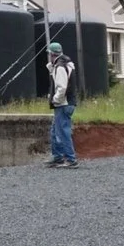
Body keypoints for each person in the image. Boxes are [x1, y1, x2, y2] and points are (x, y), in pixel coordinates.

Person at [43, 41, 79, 169]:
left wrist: (55, 99)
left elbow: (62, 87)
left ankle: (70, 159)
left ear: (51, 54)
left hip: (63, 104)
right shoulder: (66, 64)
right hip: (67, 103)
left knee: (62, 132)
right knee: (55, 131)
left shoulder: (60, 67)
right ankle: (58, 157)